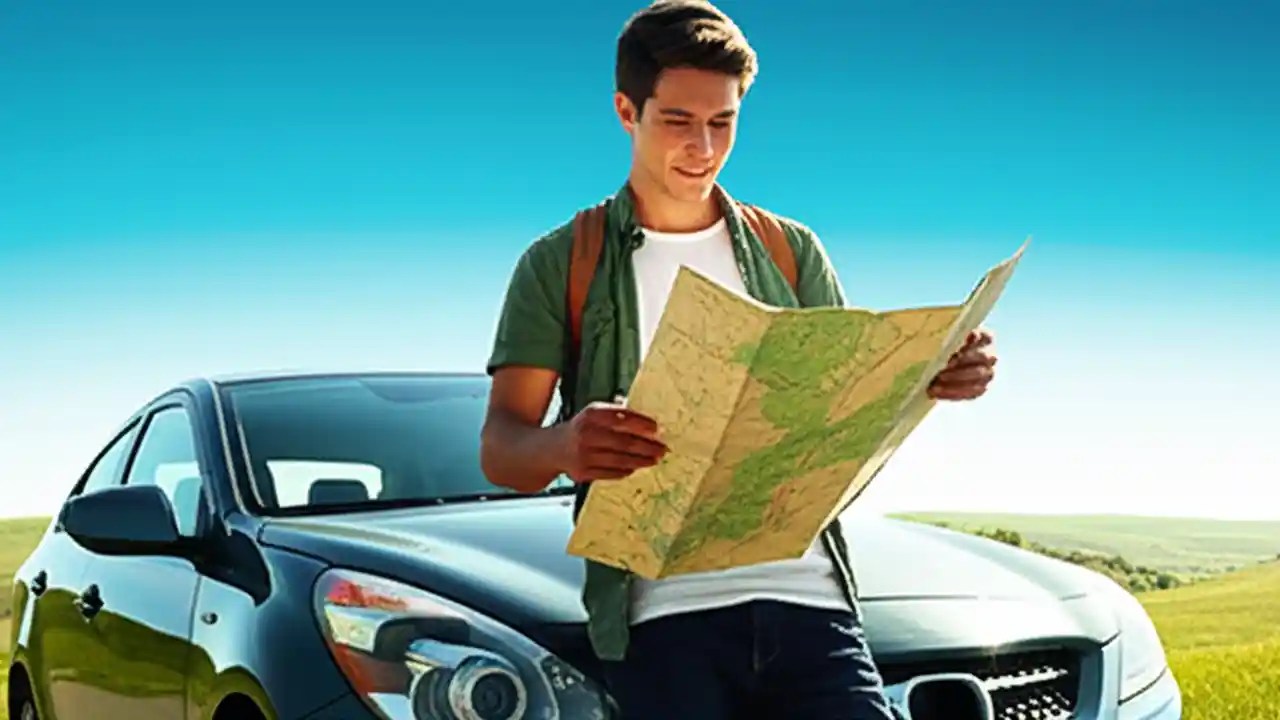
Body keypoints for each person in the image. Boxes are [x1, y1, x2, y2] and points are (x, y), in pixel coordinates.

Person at [480, 1, 998, 717]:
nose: (703, 147)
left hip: (809, 599)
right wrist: (567, 444)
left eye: (723, 123)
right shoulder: (562, 263)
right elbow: (502, 449)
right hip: (661, 623)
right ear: (626, 111)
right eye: (678, 122)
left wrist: (929, 379)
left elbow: (843, 419)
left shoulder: (791, 251)